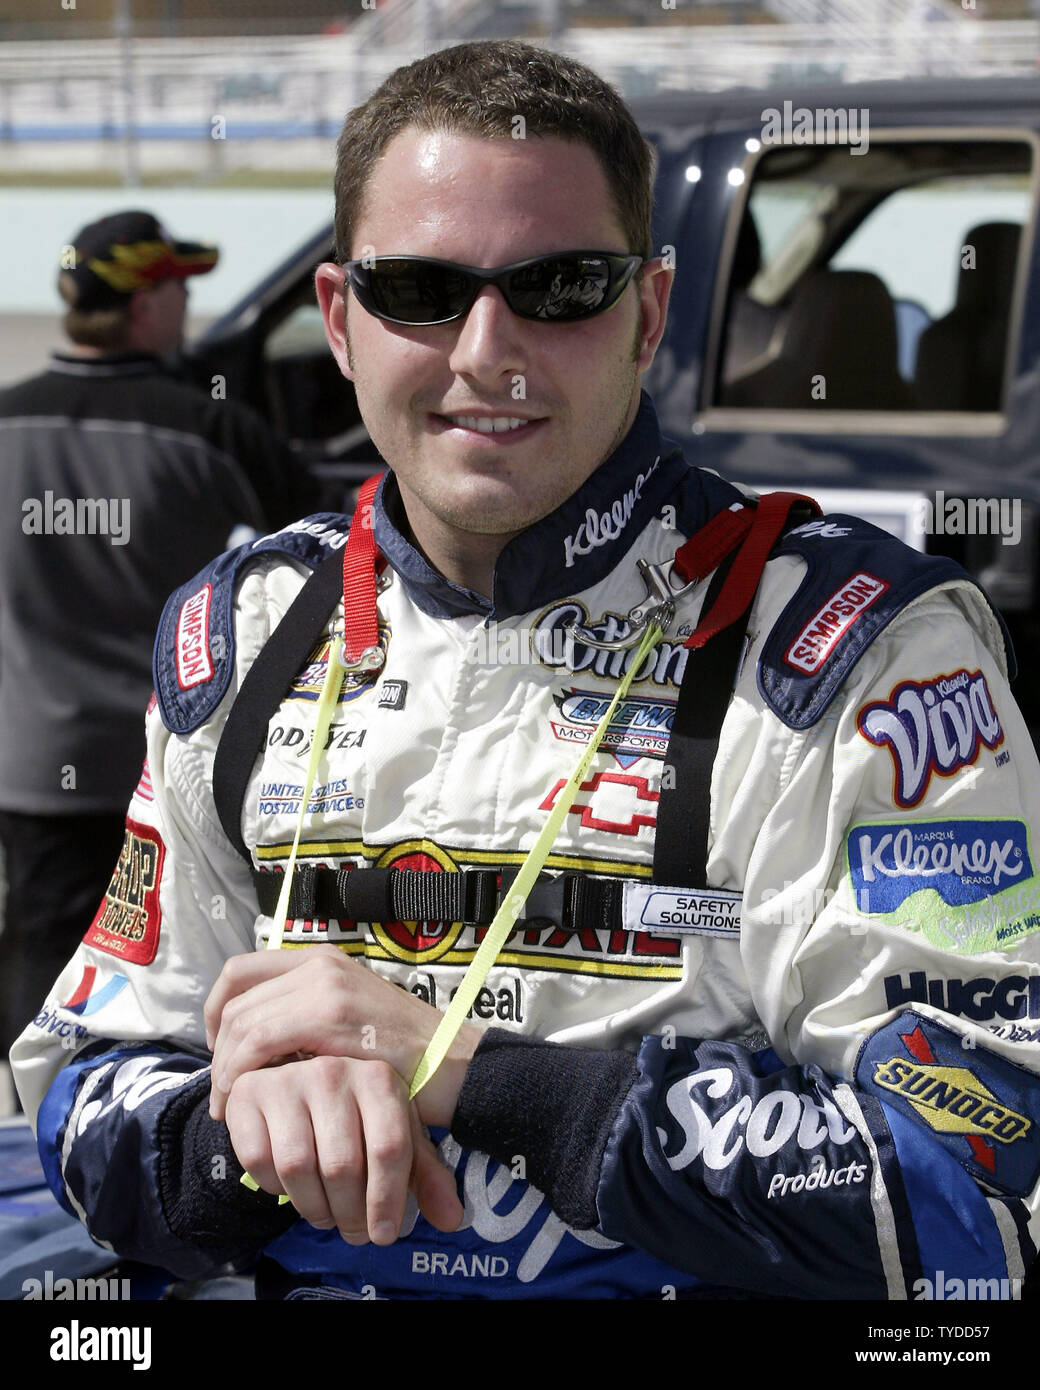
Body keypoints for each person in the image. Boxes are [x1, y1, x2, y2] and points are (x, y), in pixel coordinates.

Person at [11, 43, 1040, 1301]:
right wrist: (249, 1138)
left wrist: (464, 1072)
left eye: (559, 285)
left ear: (648, 313)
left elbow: (981, 1200)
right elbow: (77, 1083)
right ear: (338, 319)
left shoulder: (860, 650)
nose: (485, 348)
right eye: (420, 290)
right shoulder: (244, 636)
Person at [0, 210, 312, 1076]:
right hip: (173, 775)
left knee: (42, 977)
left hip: (32, 768)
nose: (187, 307)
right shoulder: (210, 429)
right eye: (180, 288)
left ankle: (32, 1171)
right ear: (145, 304)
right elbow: (329, 556)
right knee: (173, 993)